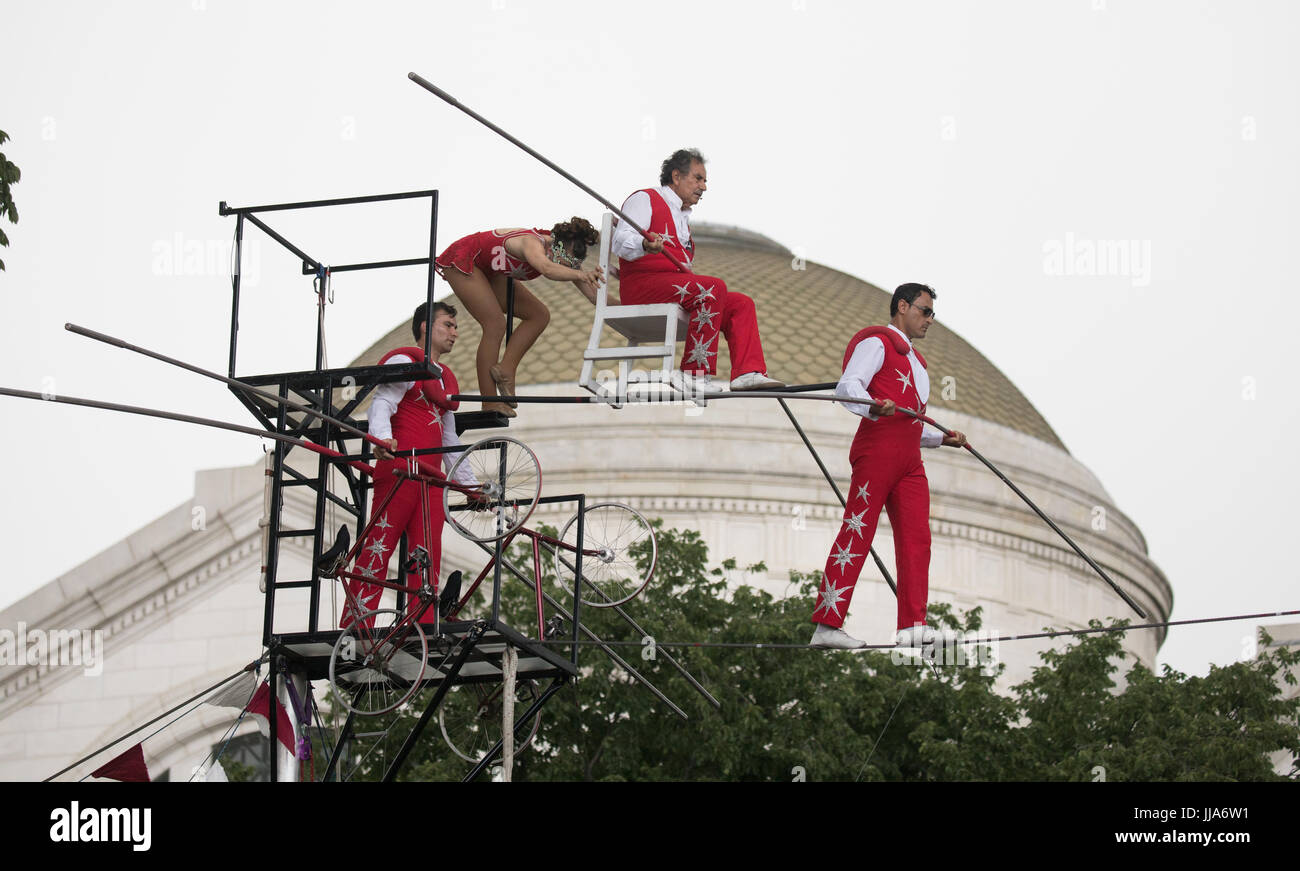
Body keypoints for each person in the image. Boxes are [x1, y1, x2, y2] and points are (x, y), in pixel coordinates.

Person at [809, 283, 968, 650]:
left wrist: (941, 438)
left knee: (917, 539)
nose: (930, 320)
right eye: (925, 311)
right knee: (858, 530)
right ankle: (826, 625)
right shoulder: (878, 343)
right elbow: (848, 386)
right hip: (877, 450)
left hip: (910, 459)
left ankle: (913, 626)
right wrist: (871, 405)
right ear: (902, 306)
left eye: (932, 314)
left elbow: (912, 422)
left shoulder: (917, 363)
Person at [339, 300, 477, 629]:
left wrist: (470, 486)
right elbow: (383, 403)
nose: (455, 332)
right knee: (380, 545)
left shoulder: (444, 381)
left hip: (429, 478)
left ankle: (422, 624)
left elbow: (449, 439)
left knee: (426, 554)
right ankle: (356, 625)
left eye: (456, 326)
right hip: (400, 469)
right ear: (427, 327)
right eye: (448, 325)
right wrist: (382, 440)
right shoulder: (405, 361)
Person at [611, 148, 784, 393]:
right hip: (643, 287)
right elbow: (619, 241)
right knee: (713, 288)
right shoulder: (645, 199)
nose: (704, 187)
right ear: (676, 176)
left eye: (705, 181)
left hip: (671, 290)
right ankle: (693, 374)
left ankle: (747, 372)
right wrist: (644, 244)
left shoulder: (683, 220)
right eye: (698, 178)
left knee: (740, 304)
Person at [436, 219, 604, 417]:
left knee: (539, 315)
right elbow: (547, 269)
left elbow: (595, 297)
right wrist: (580, 275)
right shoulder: (532, 243)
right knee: (495, 325)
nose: (563, 267)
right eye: (561, 262)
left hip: (490, 269)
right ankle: (488, 401)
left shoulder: (561, 255)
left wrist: (631, 306)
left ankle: (506, 369)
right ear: (556, 249)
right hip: (465, 259)